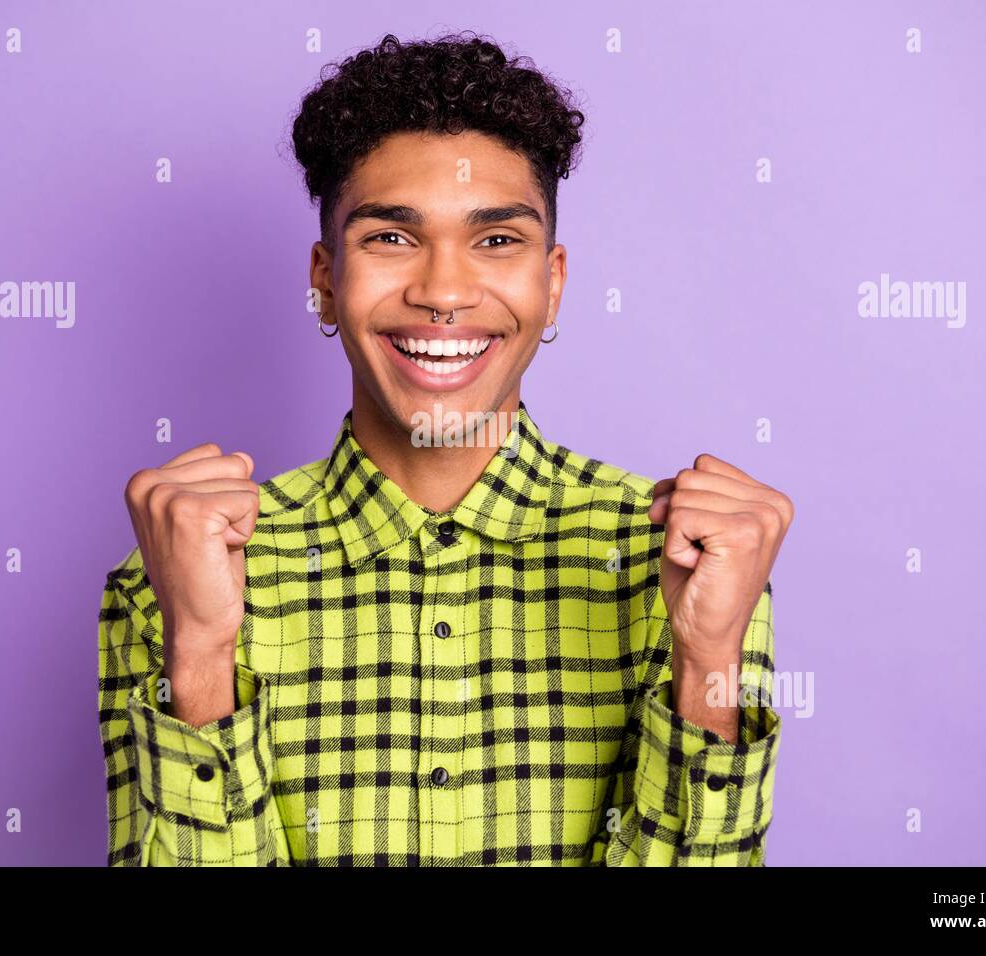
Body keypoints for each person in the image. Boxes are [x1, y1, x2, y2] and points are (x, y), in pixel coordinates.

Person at [98, 30, 793, 867]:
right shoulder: (171, 577)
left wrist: (708, 660)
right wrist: (203, 654)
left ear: (554, 281)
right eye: (391, 238)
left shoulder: (685, 561)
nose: (443, 291)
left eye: (496, 240)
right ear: (324, 278)